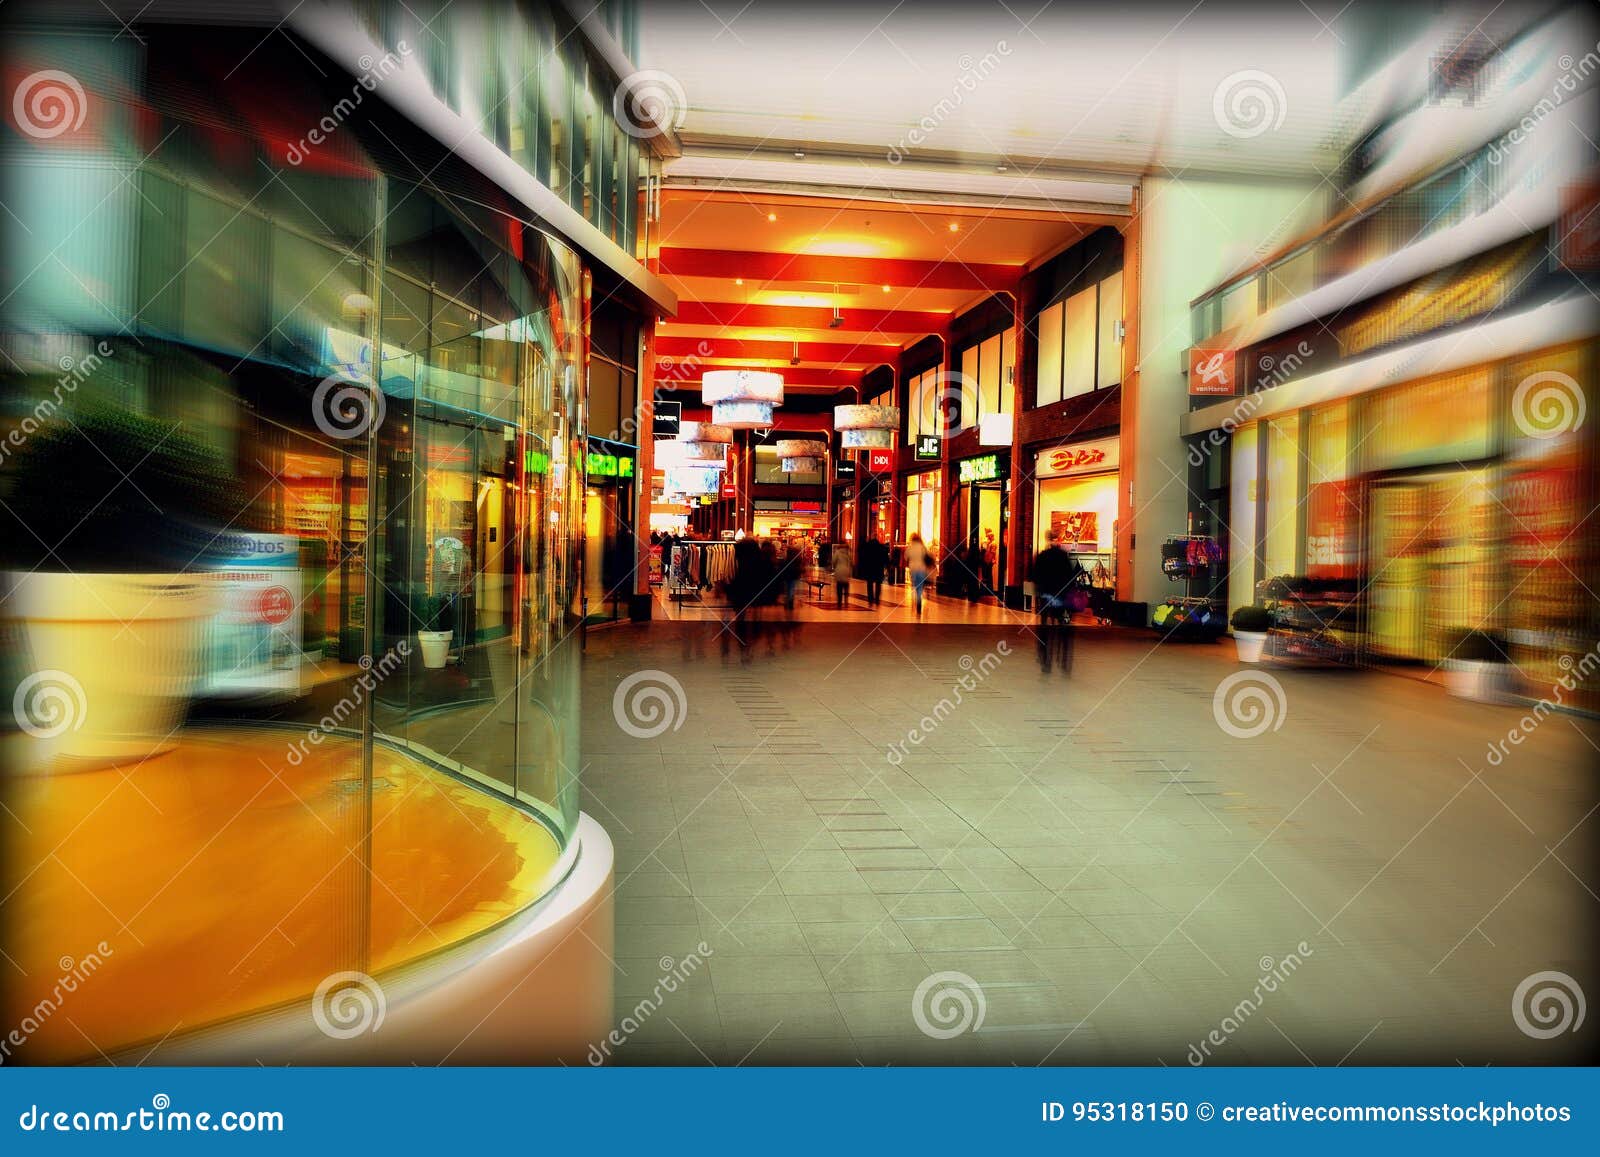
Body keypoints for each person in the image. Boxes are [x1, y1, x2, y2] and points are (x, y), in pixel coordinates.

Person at [1031, 530, 1085, 674]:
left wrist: (1040, 592)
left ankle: (1045, 658)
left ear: (1047, 540)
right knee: (1063, 624)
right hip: (1061, 596)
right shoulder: (1063, 556)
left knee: (1044, 627)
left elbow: (1035, 576)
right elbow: (1070, 577)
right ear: (1058, 540)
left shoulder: (1042, 556)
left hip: (1046, 596)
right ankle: (1064, 659)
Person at [904, 533, 932, 617]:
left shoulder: (910, 548)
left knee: (914, 586)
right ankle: (919, 606)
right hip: (921, 569)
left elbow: (906, 557)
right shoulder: (922, 547)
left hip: (913, 570)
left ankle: (914, 601)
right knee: (920, 588)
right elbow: (928, 557)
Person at [859, 533, 888, 607]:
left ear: (871, 537)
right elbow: (885, 558)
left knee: (870, 584)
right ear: (877, 538)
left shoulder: (867, 546)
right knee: (878, 584)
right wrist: (886, 566)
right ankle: (877, 599)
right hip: (879, 568)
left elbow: (863, 557)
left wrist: (863, 567)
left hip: (869, 568)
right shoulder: (881, 547)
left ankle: (870, 599)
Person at [830, 539, 854, 609]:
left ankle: (839, 603)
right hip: (846, 571)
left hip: (839, 571)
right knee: (846, 586)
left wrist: (835, 567)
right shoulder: (848, 553)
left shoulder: (837, 552)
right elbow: (851, 562)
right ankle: (846, 601)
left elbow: (833, 561)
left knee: (839, 587)